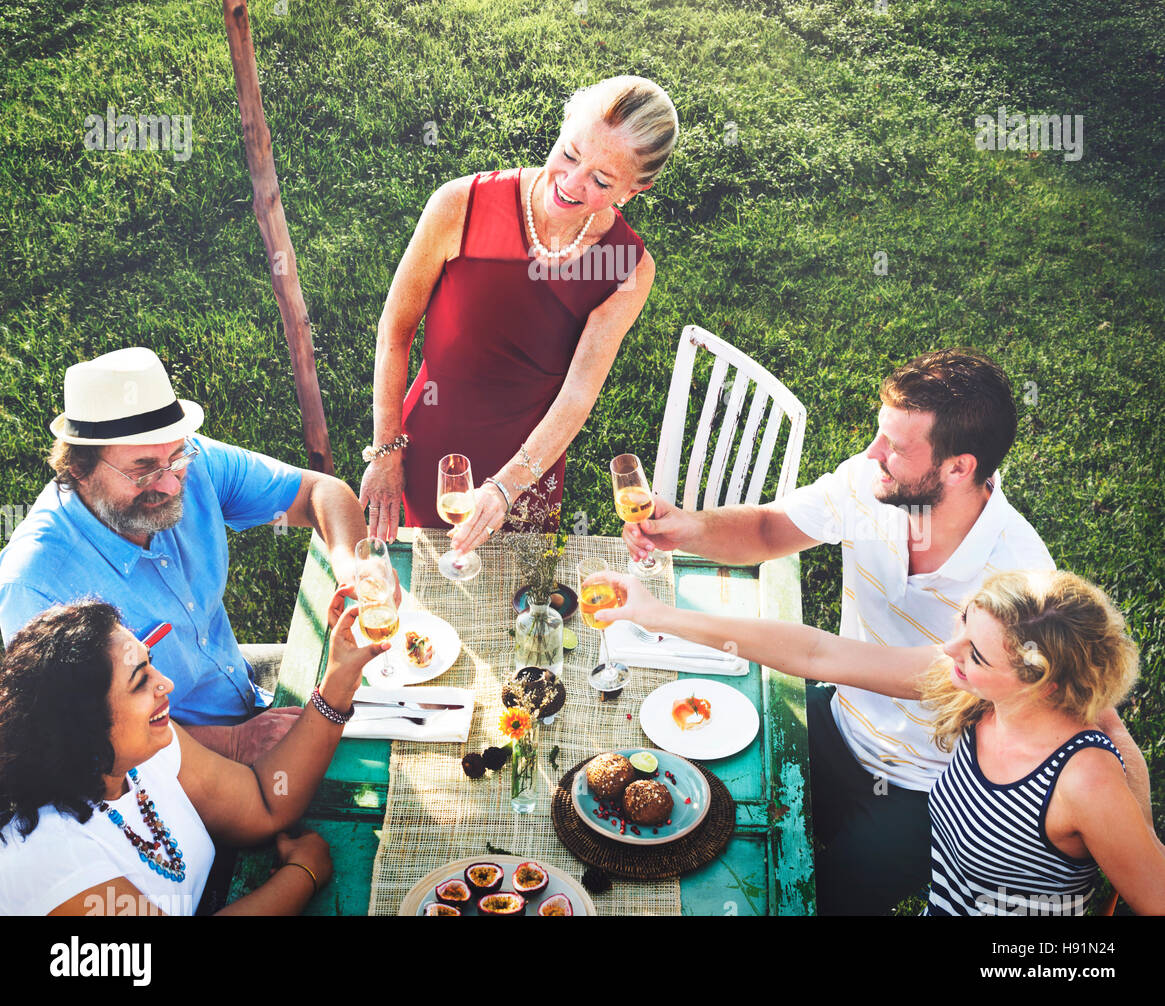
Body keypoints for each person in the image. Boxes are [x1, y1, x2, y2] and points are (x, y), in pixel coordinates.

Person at [621, 348, 1152, 913]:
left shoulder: (1015, 590)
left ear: (958, 467)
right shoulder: (871, 481)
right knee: (701, 810)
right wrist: (687, 528)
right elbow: (770, 530)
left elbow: (819, 653)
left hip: (929, 789)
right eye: (881, 435)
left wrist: (1130, 835)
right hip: (835, 718)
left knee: (805, 902)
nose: (874, 454)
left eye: (897, 447)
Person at [588, 566, 1165, 916]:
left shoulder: (1084, 780)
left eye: (977, 652)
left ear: (1045, 683)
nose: (949, 650)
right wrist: (660, 612)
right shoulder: (977, 694)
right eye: (962, 625)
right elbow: (819, 654)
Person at [0, 347, 393, 761]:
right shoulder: (34, 587)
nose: (171, 485)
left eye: (177, 459)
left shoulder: (187, 460)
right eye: (144, 471)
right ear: (78, 468)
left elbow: (322, 491)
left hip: (243, 690)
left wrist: (357, 570)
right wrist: (234, 743)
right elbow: (79, 746)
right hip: (173, 771)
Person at [360, 75, 678, 555]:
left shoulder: (627, 267)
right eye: (569, 154)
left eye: (601, 181)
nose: (571, 184)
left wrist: (507, 488)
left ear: (634, 190)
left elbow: (577, 395)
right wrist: (387, 448)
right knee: (432, 589)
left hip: (532, 466)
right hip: (434, 450)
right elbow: (395, 329)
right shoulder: (458, 205)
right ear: (563, 126)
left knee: (518, 609)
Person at [0, 589, 388, 915]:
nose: (164, 683)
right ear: (83, 728)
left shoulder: (139, 751)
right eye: (140, 682)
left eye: (150, 664)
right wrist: (303, 874)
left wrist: (337, 687)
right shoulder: (52, 859)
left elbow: (267, 800)